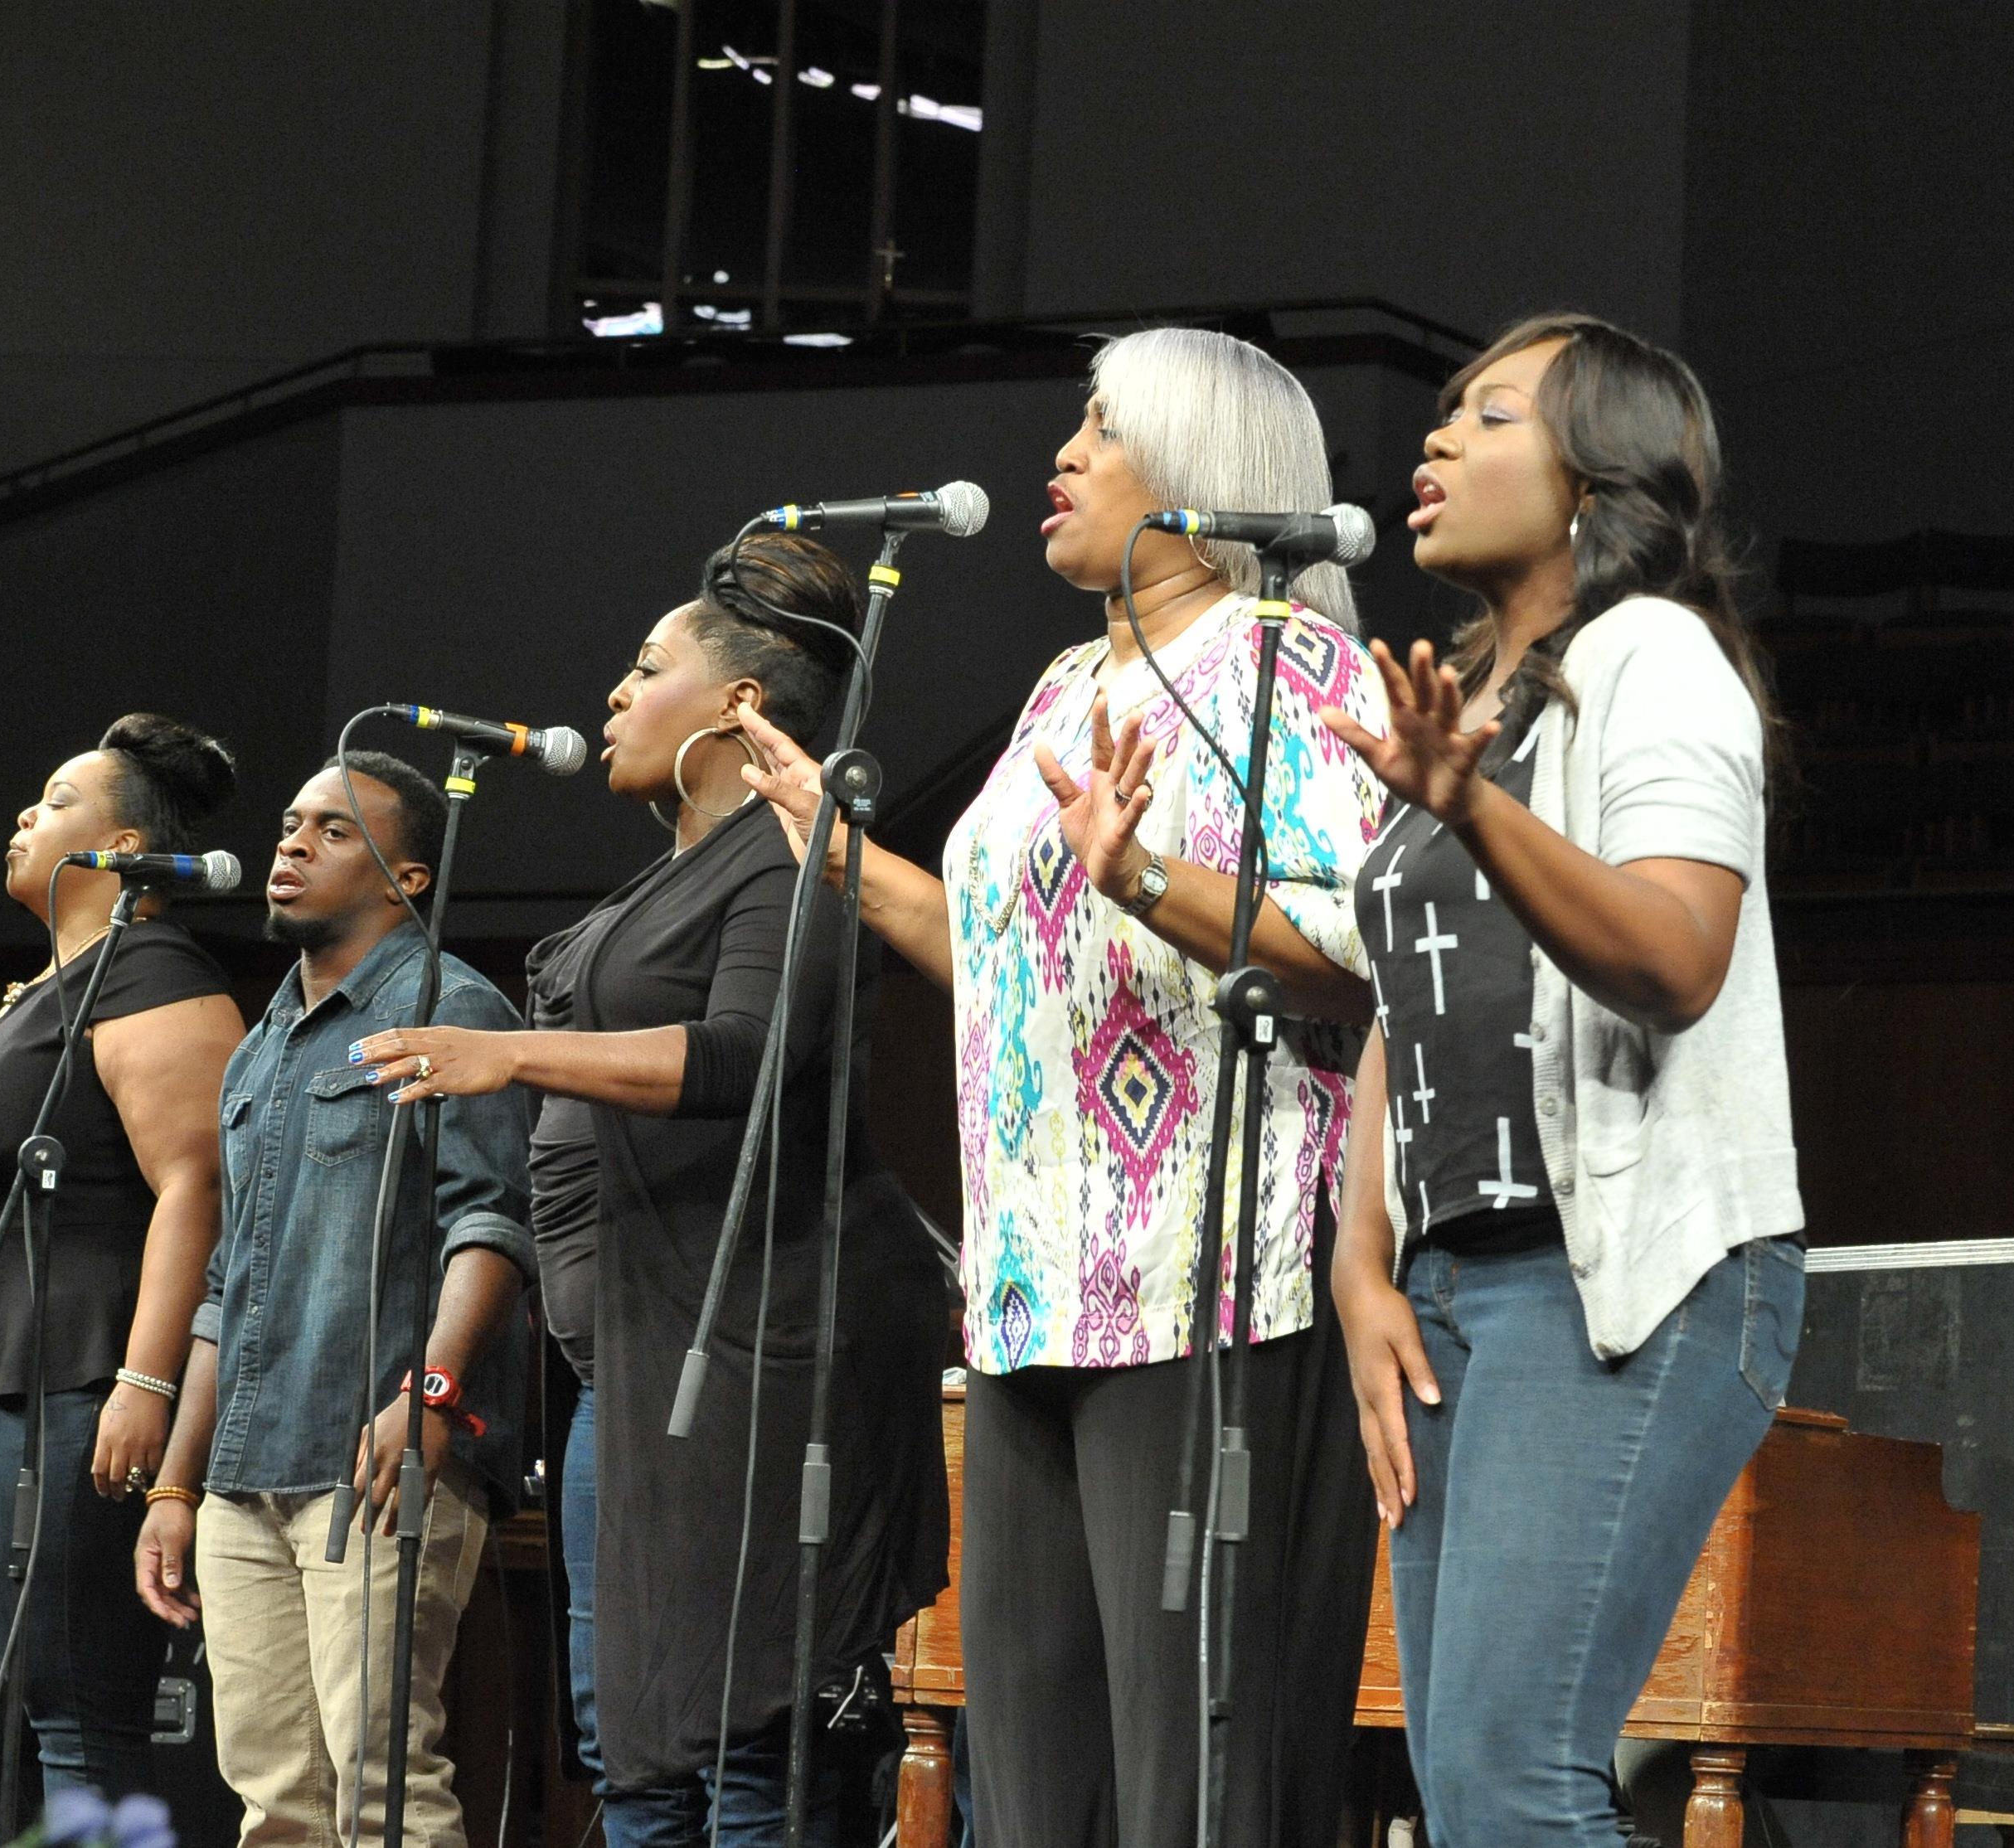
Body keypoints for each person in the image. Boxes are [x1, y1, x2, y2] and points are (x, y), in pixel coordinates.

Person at [737, 326, 1389, 1848]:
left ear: (1200, 474)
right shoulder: (1058, 682)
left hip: (1214, 1277)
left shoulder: (1286, 659)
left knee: (1197, 1762)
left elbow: (1352, 956)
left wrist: (1145, 872)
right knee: (1033, 1768)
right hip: (1034, 1285)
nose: (1065, 454)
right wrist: (823, 840)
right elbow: (1003, 952)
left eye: (1104, 428)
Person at [362, 532, 949, 1848]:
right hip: (631, 1370)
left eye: (645, 668)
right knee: (631, 1756)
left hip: (755, 1359)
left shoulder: (797, 859)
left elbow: (745, 1055)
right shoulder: (676, 874)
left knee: (745, 1750)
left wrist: (508, 1050)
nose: (614, 694)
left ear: (740, 707)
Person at [1320, 313, 1804, 1847]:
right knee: (1463, 1784)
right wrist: (1357, 1258)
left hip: (1621, 1277)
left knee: (1512, 1776)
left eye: (1489, 416)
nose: (1436, 440)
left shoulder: (1650, 654)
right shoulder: (1484, 703)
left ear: (1597, 478)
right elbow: (1398, 989)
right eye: (1442, 415)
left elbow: (1674, 953)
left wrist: (1469, 806)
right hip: (1453, 1288)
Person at [131, 749, 536, 1848]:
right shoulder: (262, 1046)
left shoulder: (453, 1007)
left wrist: (434, 1394)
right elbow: (230, 1281)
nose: (292, 844)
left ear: (404, 876)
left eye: (333, 831)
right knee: (277, 1804)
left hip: (375, 1457)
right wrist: (177, 1483)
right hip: (246, 1472)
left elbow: (491, 1224)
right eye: (289, 823)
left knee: (382, 1789)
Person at [0, 712, 248, 1831]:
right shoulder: (48, 987)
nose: (26, 816)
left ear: (127, 848)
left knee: (70, 1715)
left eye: (57, 801)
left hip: (78, 1376)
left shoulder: (149, 972)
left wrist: (146, 1387)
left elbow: (197, 1183)